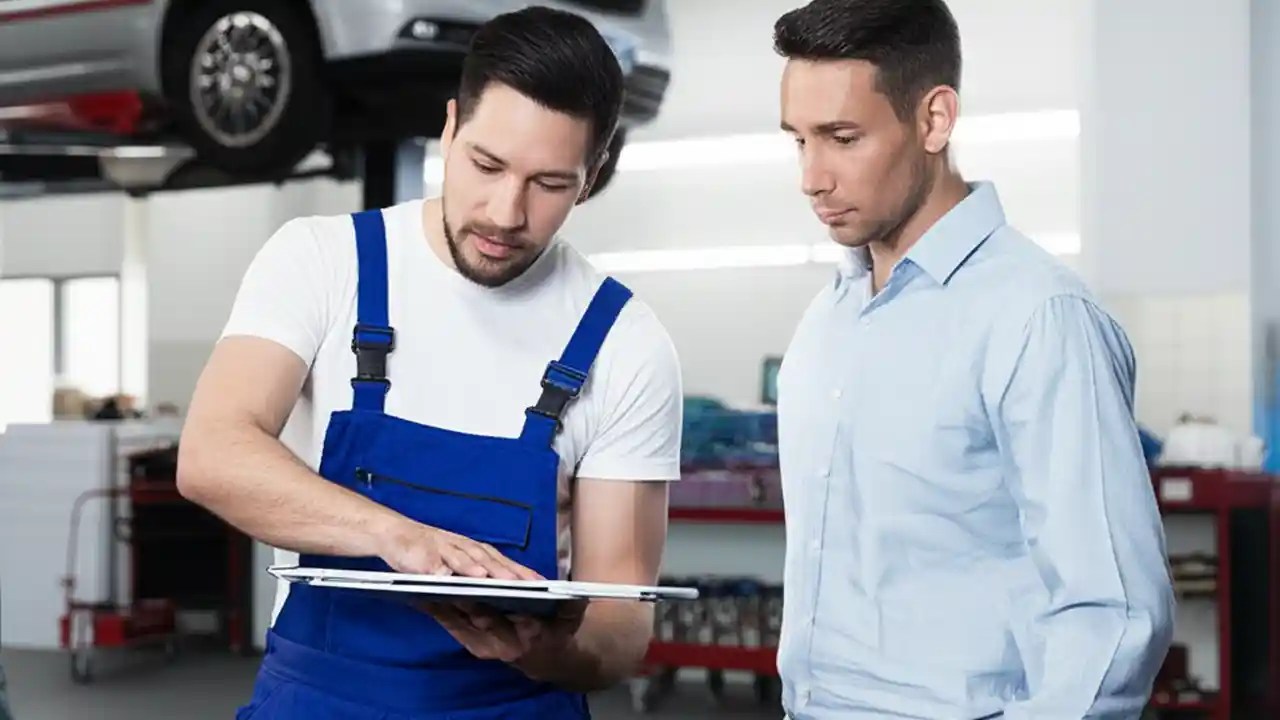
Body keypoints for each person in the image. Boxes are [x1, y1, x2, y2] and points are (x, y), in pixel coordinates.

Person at [176, 7, 682, 719]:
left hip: (514, 703)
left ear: (592, 176)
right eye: (486, 164)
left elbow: (620, 628)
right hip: (321, 700)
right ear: (448, 128)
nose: (506, 212)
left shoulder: (626, 343)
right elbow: (211, 453)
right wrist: (397, 537)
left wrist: (533, 649)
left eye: (550, 184)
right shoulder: (324, 260)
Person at [770, 1, 1175, 718]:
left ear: (934, 120)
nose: (812, 177)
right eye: (798, 140)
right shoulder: (828, 318)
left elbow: (1113, 619)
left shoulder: (1038, 318)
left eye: (841, 137)